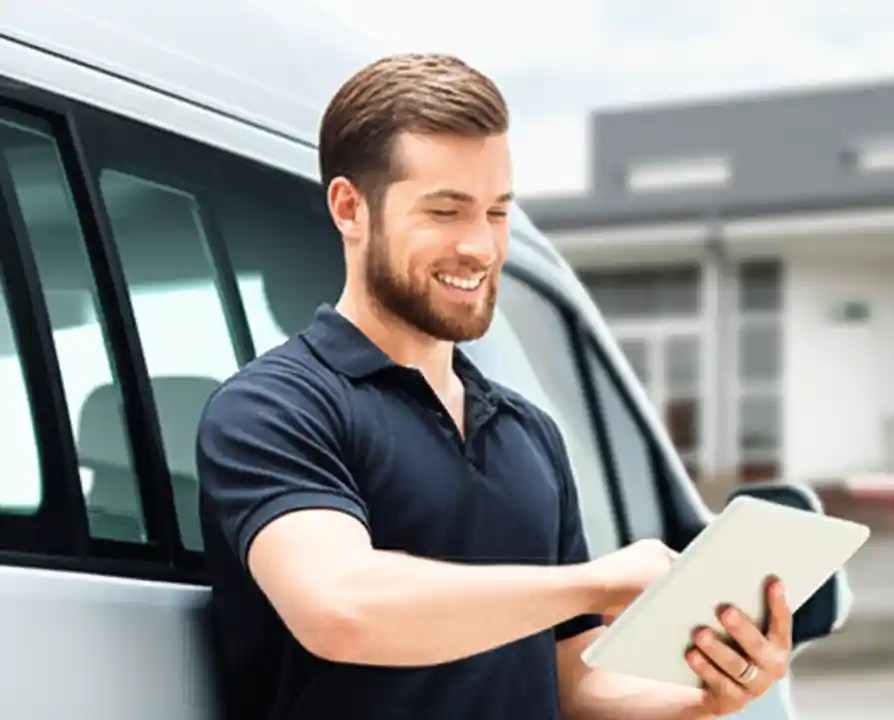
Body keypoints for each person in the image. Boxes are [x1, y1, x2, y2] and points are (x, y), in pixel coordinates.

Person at [196, 53, 794, 720]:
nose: (480, 246)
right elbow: (342, 607)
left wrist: (705, 696)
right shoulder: (274, 407)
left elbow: (572, 682)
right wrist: (593, 583)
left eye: (497, 212)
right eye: (446, 211)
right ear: (349, 208)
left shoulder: (529, 434)